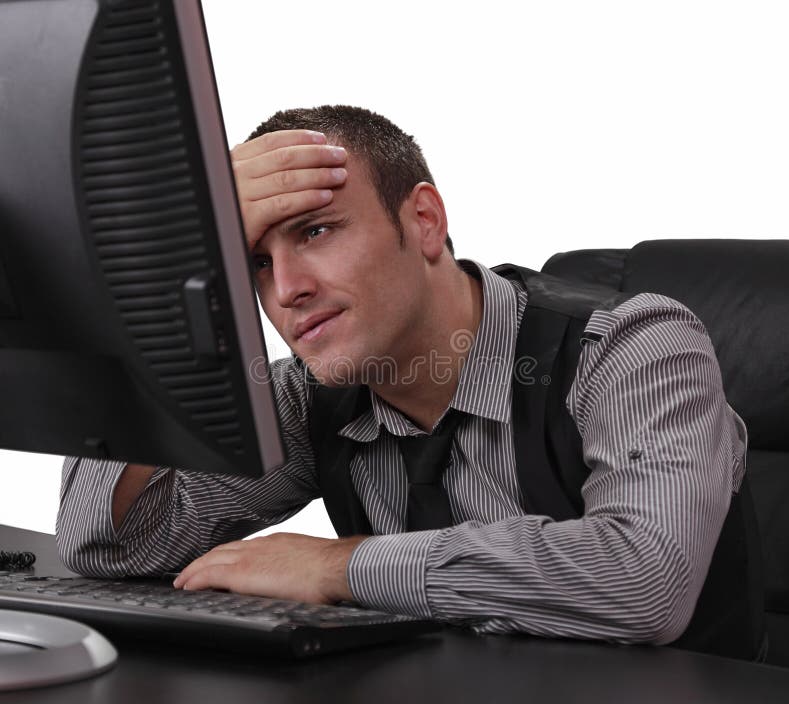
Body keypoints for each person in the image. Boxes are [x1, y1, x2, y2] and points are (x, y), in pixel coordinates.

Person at [56, 105, 749, 648]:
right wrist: (164, 275)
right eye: (254, 265)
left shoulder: (631, 347)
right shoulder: (312, 397)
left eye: (316, 231)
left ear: (423, 220)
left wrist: (340, 568)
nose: (287, 289)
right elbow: (106, 539)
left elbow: (646, 580)